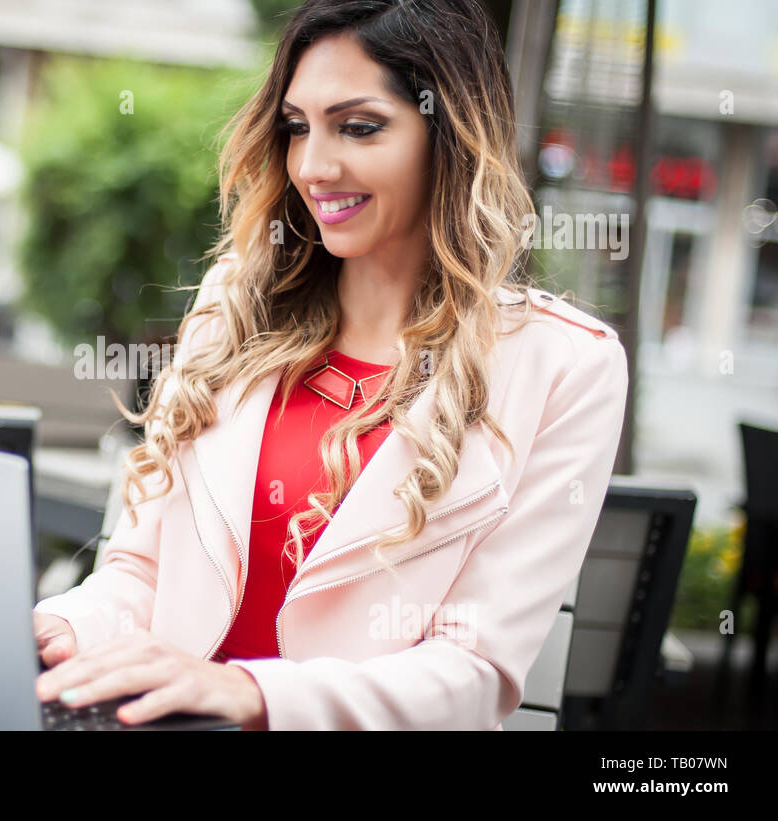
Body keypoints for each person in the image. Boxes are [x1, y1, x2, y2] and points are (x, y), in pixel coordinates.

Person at [31, 0, 629, 731]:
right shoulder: (235, 306)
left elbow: (471, 675)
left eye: (359, 126)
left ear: (451, 137)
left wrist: (255, 695)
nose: (313, 166)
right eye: (296, 127)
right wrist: (67, 627)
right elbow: (139, 573)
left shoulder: (562, 364)